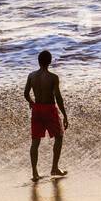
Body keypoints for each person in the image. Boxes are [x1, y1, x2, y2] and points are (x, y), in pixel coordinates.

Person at [25, 50, 69, 180]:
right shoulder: (53, 78)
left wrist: (31, 103)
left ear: (38, 61)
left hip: (37, 109)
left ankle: (34, 173)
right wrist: (65, 115)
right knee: (59, 137)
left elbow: (26, 93)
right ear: (50, 62)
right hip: (49, 109)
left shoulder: (31, 76)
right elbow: (58, 97)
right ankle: (54, 168)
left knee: (35, 141)